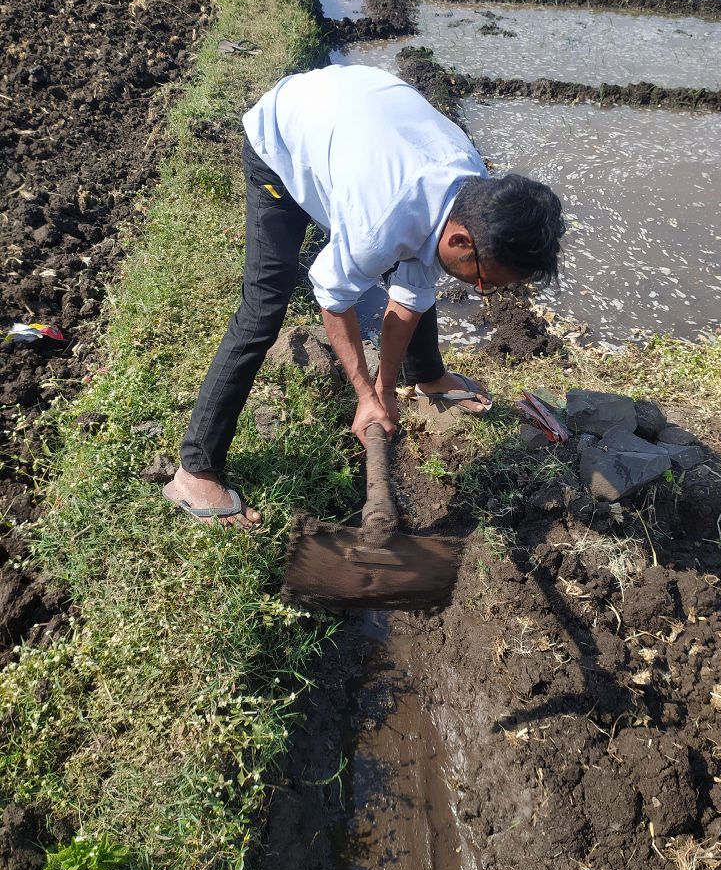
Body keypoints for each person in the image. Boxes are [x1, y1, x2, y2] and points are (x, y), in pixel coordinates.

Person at [163, 64, 565, 527]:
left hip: (354, 124)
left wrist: (386, 389)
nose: (480, 289)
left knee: (415, 260)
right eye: (482, 280)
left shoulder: (472, 190)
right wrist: (365, 393)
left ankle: (428, 375)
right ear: (461, 240)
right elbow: (333, 296)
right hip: (283, 137)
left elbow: (412, 292)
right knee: (263, 307)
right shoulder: (381, 220)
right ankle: (194, 470)